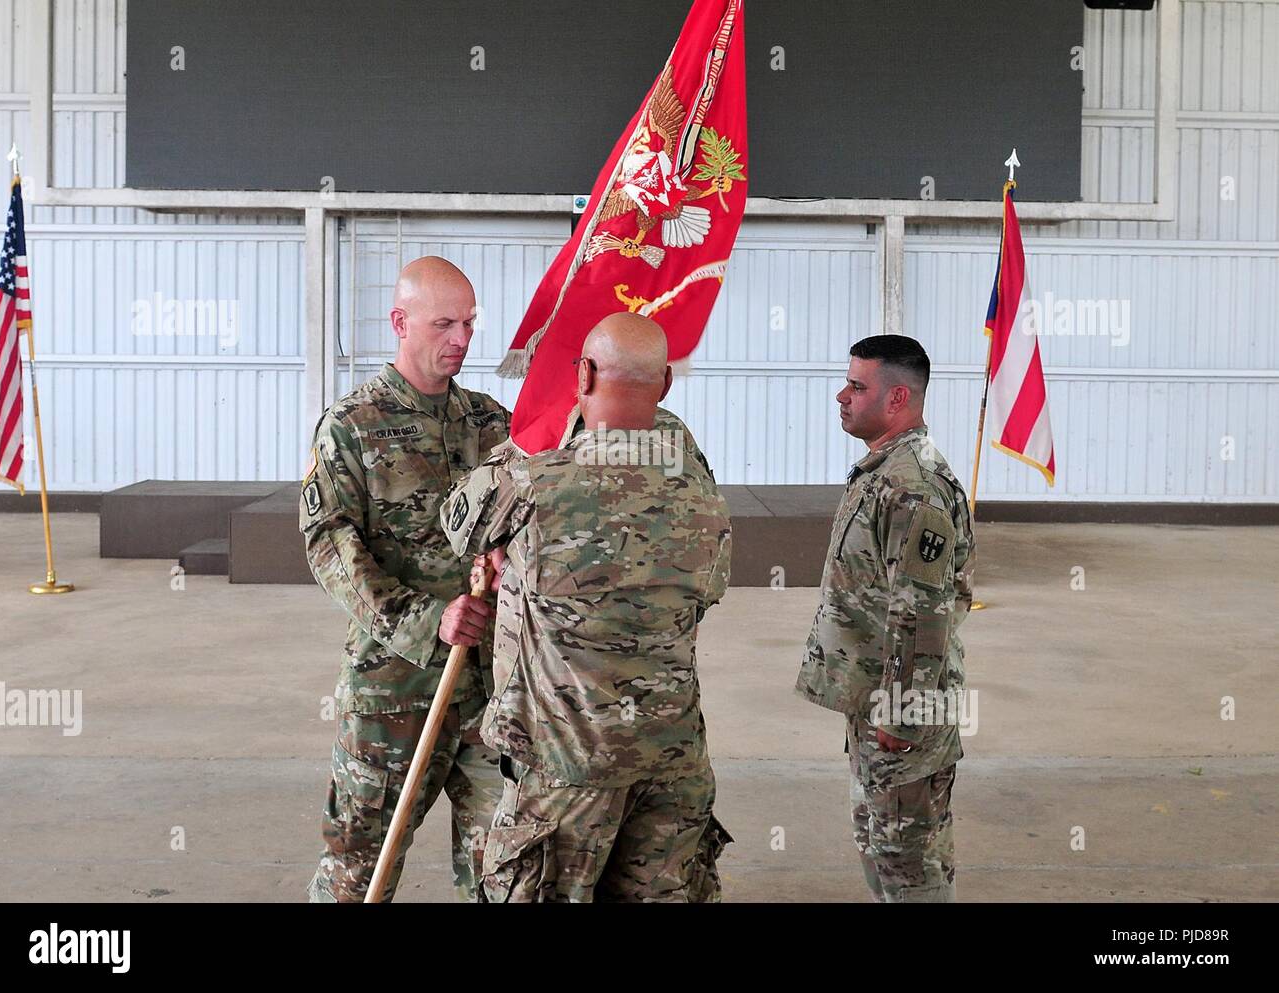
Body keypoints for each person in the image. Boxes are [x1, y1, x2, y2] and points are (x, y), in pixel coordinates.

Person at [441, 312, 732, 902]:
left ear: (584, 374)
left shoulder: (533, 484)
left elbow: (458, 520)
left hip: (566, 768)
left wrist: (533, 433)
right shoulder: (701, 490)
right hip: (671, 761)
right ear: (666, 384)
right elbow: (700, 599)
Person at [300, 256, 510, 902]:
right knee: (359, 869)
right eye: (444, 324)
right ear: (400, 322)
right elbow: (331, 546)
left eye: (469, 323)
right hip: (394, 690)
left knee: (505, 869)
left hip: (491, 691)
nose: (461, 338)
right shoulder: (352, 426)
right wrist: (428, 619)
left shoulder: (493, 424)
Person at [795, 334, 975, 903]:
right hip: (876, 699)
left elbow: (923, 611)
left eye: (856, 386)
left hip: (902, 711)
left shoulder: (912, 487)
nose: (841, 396)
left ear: (897, 398)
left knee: (907, 863)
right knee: (884, 849)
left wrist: (901, 711)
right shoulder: (884, 470)